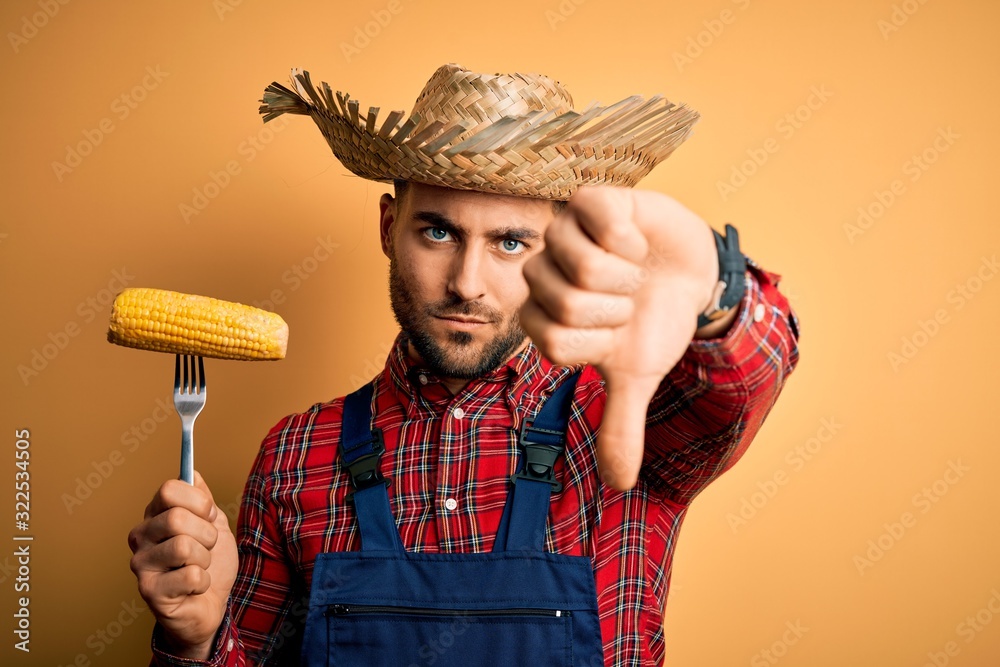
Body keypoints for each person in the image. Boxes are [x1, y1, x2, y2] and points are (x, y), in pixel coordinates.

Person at [128, 63, 801, 666]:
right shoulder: (296, 454)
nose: (467, 282)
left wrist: (718, 288)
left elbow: (743, 378)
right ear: (389, 225)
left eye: (510, 241)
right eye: (439, 231)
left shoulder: (629, 422)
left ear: (560, 247)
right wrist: (197, 642)